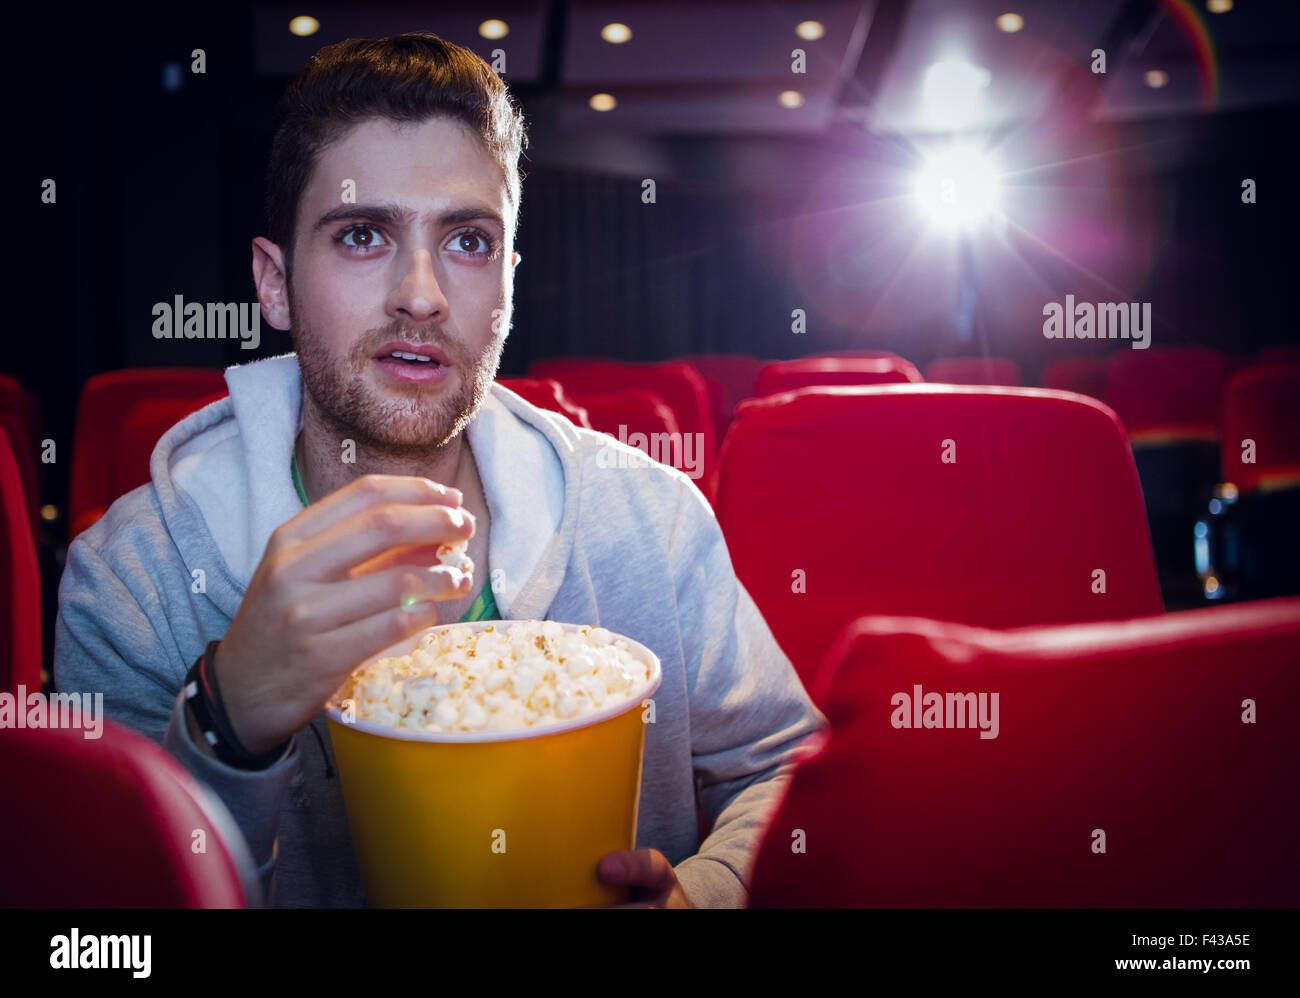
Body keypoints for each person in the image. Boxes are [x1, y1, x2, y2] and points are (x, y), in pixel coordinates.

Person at [54, 32, 827, 908]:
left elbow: (789, 772)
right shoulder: (133, 580)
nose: (420, 294)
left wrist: (705, 895)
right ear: (273, 284)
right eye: (361, 234)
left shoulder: (655, 520)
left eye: (467, 241)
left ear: (507, 283)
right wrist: (225, 720)